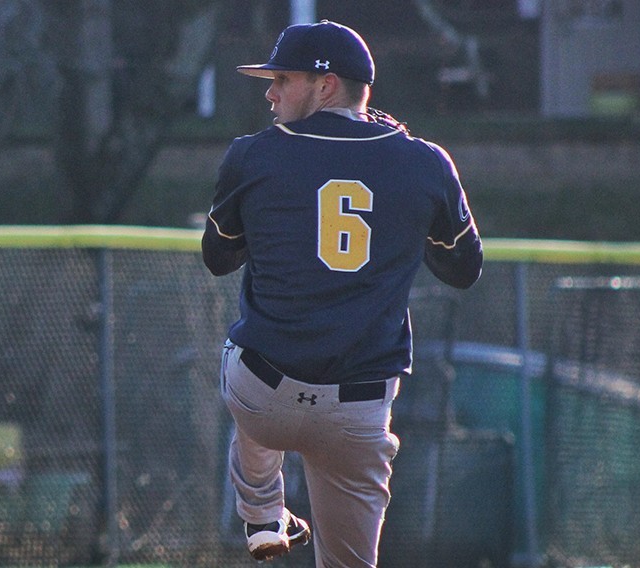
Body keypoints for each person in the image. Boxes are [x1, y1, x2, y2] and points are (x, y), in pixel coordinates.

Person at [202, 20, 483, 567]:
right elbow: (463, 270)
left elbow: (218, 259)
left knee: (245, 357)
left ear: (325, 85)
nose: (270, 91)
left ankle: (261, 512)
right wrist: (406, 220)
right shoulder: (425, 161)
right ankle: (267, 512)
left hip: (263, 391)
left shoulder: (252, 155)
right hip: (356, 412)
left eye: (283, 78)